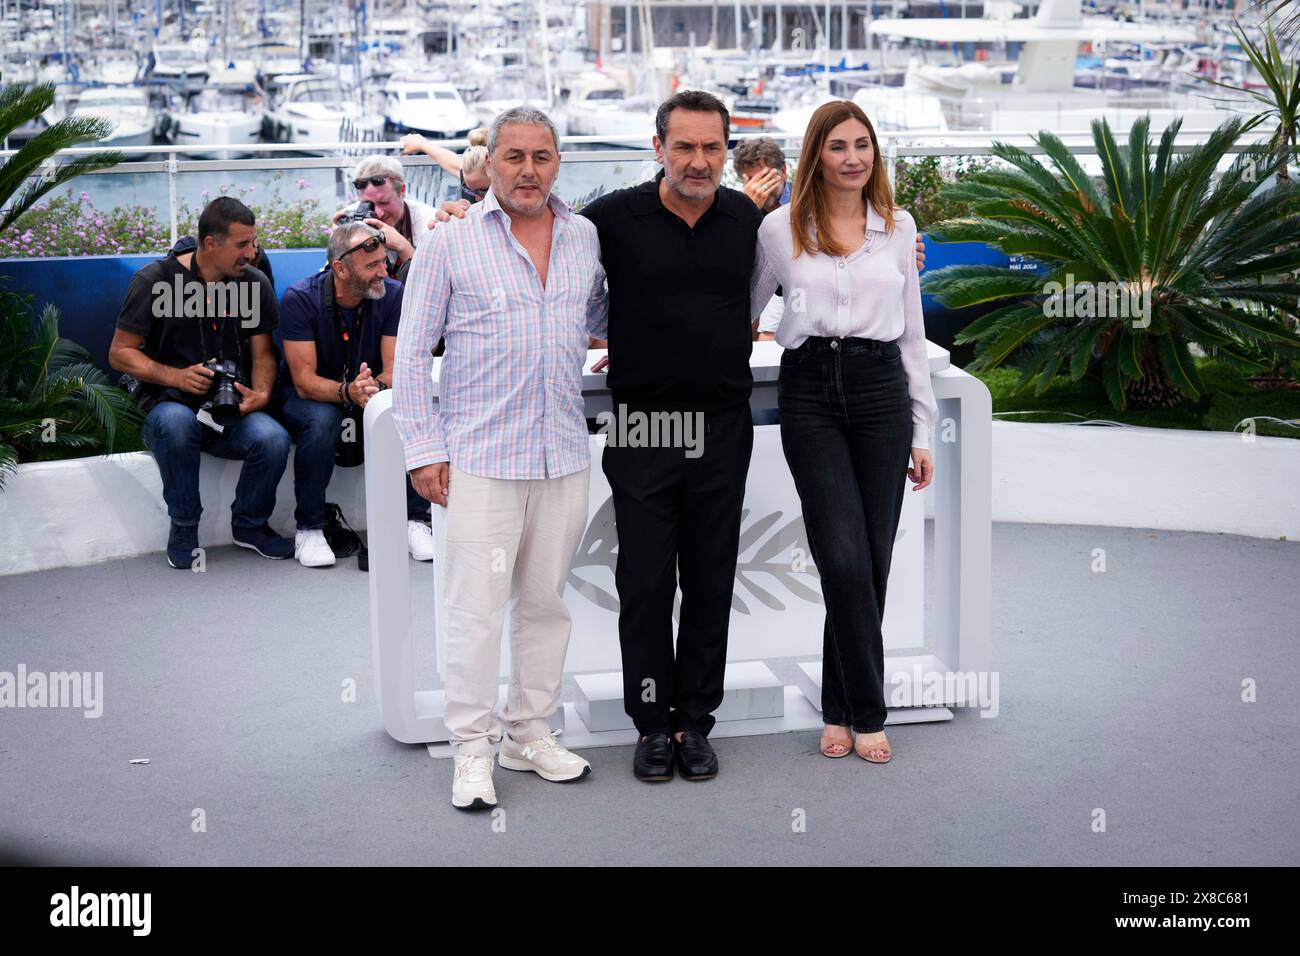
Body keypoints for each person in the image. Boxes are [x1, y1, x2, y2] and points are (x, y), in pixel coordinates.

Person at [393, 106, 608, 811]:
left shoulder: (584, 239)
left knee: (546, 607)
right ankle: (471, 750)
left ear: (557, 163)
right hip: (480, 460)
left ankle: (528, 733)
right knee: (476, 613)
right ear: (490, 164)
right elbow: (410, 356)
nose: (527, 171)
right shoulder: (450, 245)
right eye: (513, 156)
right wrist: (423, 452)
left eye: (541, 157)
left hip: (563, 454)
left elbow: (603, 318)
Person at [579, 90, 764, 784]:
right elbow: (539, 232)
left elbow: (807, 250)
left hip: (722, 424)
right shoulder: (611, 218)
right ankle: (652, 724)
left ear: (727, 151)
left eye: (712, 147)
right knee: (648, 583)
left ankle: (695, 722)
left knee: (712, 580)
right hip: (643, 426)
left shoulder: (745, 216)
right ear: (658, 147)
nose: (698, 160)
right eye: (683, 146)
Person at [752, 100, 938, 764]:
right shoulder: (779, 229)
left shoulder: (898, 227)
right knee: (844, 556)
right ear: (816, 156)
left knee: (874, 560)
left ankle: (837, 705)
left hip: (882, 388)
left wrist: (922, 430)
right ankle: (869, 710)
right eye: (838, 146)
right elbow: (740, 308)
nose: (853, 157)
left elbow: (913, 334)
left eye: (863, 144)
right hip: (810, 394)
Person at [108, 197, 292, 568]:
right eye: (242, 244)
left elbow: (263, 355)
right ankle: (185, 526)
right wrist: (175, 376)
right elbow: (120, 353)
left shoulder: (253, 284)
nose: (252, 253)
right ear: (210, 243)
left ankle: (250, 525)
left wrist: (260, 393)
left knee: (273, 439)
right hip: (169, 402)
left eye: (253, 242)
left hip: (229, 406)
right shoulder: (153, 280)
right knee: (175, 424)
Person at [270, 221, 434, 568]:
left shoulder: (392, 294)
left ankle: (415, 521)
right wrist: (349, 391)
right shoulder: (300, 298)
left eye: (383, 261)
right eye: (372, 265)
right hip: (308, 397)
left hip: (369, 390)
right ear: (340, 269)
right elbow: (303, 381)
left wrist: (373, 388)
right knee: (322, 419)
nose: (383, 271)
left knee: (408, 406)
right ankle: (310, 528)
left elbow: (394, 370)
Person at [332, 154, 438, 281]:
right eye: (369, 204)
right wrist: (340, 249)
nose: (378, 214)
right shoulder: (350, 218)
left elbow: (433, 283)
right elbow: (333, 280)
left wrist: (403, 247)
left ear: (402, 190)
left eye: (384, 203)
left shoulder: (429, 222)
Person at [400, 128, 490, 204]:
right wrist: (421, 144)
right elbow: (450, 161)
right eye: (468, 189)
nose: (477, 198)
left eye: (483, 191)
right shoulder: (471, 179)